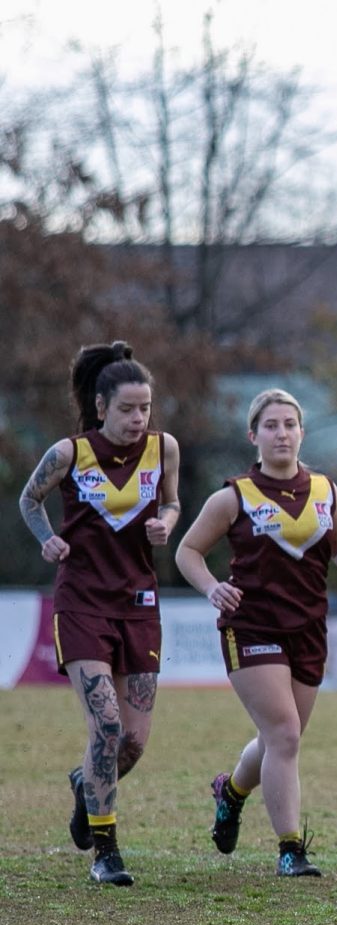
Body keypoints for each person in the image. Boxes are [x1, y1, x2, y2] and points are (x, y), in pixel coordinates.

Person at [175, 389, 337, 878]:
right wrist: (211, 588)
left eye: (290, 424)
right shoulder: (233, 496)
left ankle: (230, 793)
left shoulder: (326, 490)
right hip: (251, 627)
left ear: (301, 432)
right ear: (254, 435)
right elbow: (188, 551)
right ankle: (291, 848)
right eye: (271, 425)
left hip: (309, 627)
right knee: (284, 734)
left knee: (277, 740)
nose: (282, 433)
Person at [17, 341, 180, 886]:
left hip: (140, 604)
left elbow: (173, 502)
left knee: (131, 743)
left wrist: (167, 523)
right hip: (82, 602)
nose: (139, 419)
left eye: (146, 408)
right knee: (106, 728)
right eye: (128, 409)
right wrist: (47, 539)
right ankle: (106, 853)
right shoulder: (69, 454)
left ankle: (84, 784)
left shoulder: (165, 449)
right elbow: (28, 500)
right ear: (102, 404)